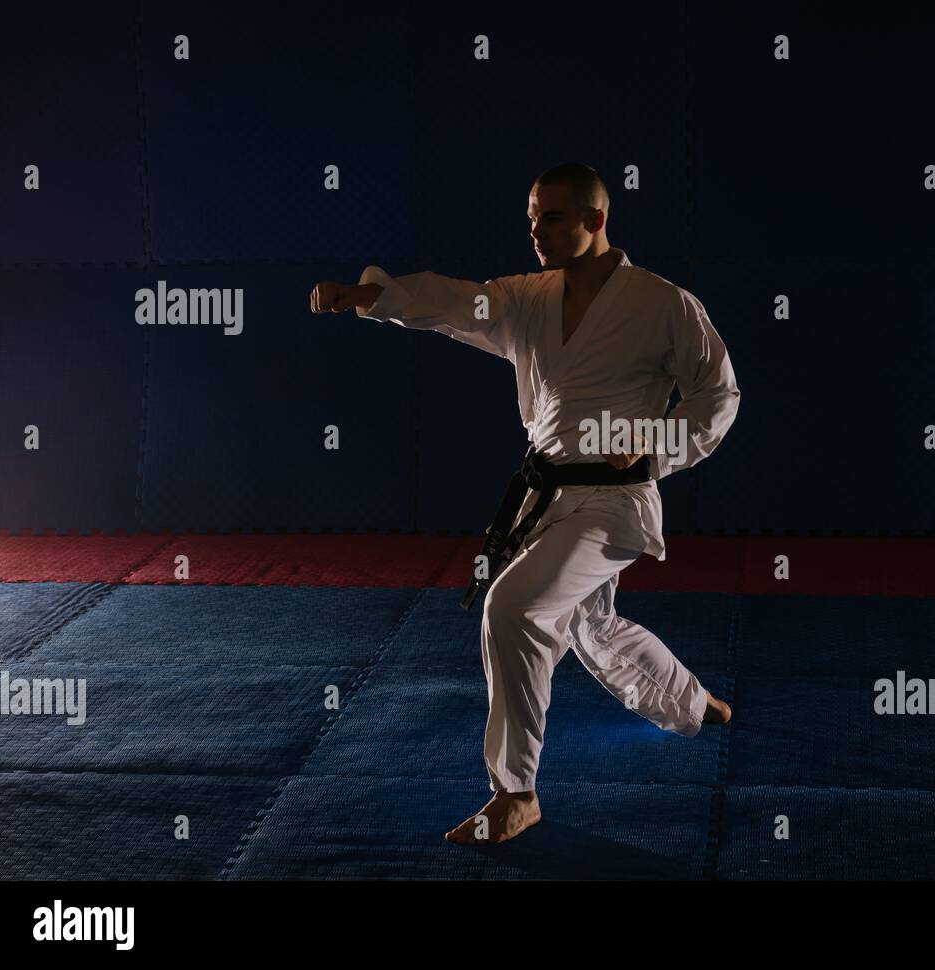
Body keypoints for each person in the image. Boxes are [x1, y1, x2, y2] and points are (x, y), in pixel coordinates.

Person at [310, 162, 740, 845]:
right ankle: (698, 704)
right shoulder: (526, 298)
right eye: (533, 217)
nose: (537, 230)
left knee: (511, 608)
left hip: (614, 502)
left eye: (554, 218)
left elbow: (719, 399)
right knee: (594, 629)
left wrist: (656, 444)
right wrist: (373, 296)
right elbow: (455, 302)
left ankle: (515, 792)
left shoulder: (665, 305)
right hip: (543, 495)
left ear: (597, 221)